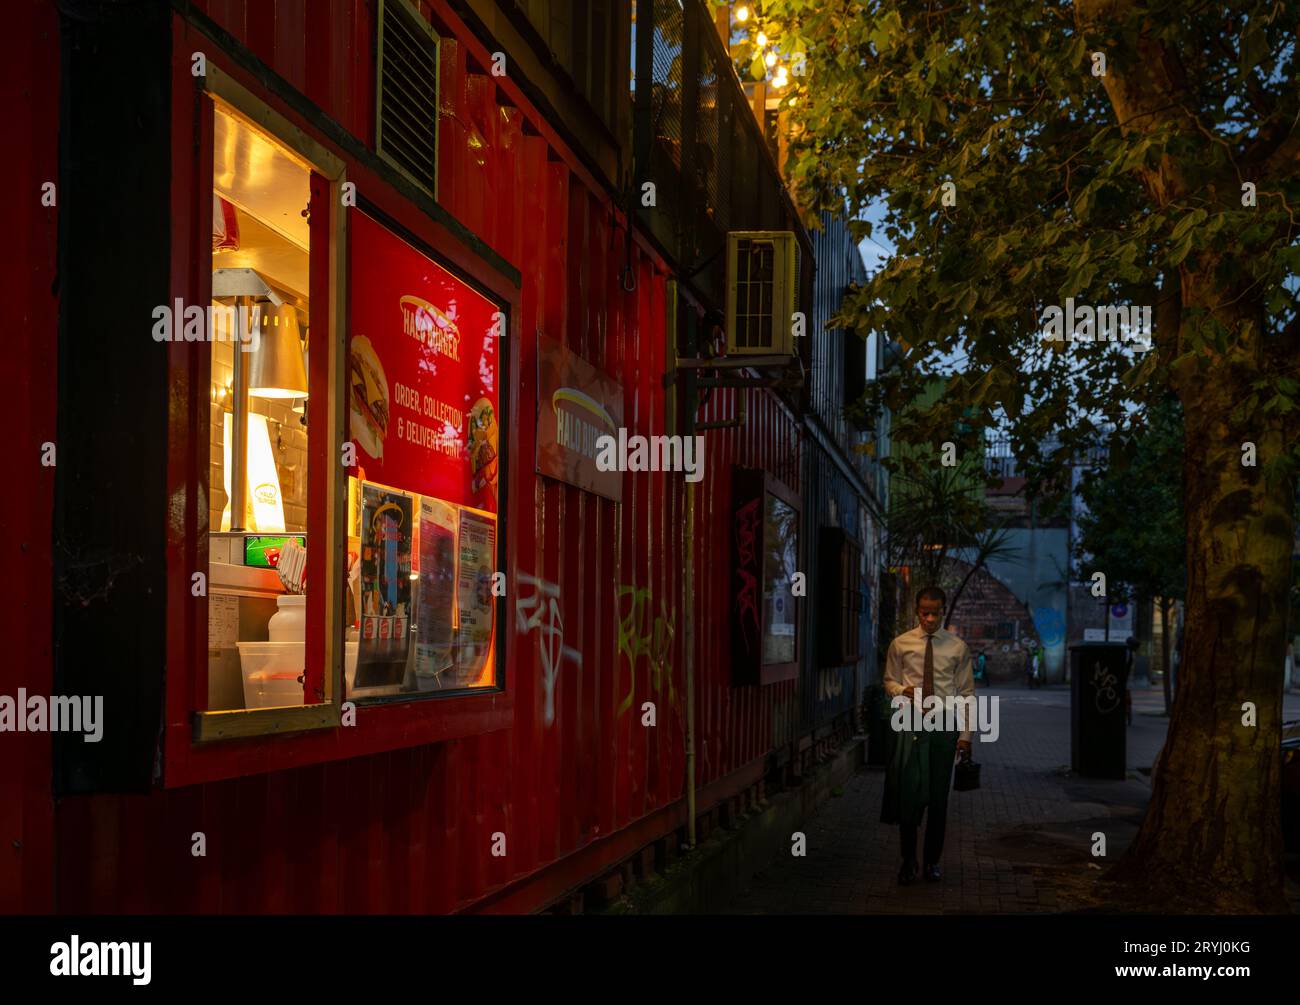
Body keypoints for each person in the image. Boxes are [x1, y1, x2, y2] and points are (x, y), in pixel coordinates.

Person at [880, 586, 974, 885]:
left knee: (937, 799)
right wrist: (900, 690)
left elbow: (967, 693)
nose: (930, 618)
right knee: (909, 795)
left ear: (943, 610)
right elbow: (889, 680)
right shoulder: (901, 644)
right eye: (924, 612)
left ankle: (932, 861)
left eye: (935, 612)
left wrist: (966, 736)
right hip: (910, 724)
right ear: (916, 610)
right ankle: (908, 860)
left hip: (944, 726)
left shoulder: (957, 647)